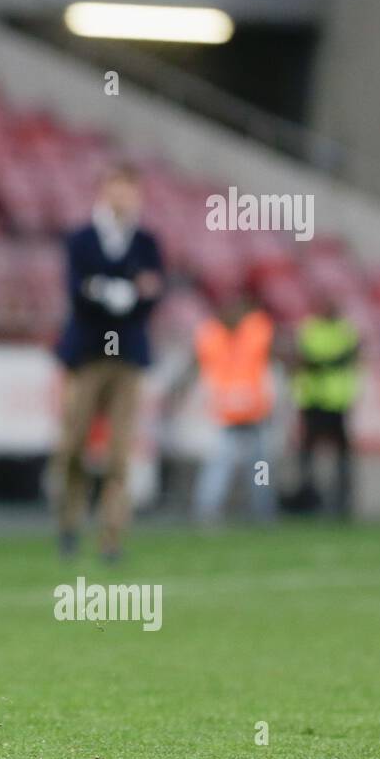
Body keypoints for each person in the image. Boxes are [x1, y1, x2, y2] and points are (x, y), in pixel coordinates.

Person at [52, 164, 164, 561]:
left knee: (119, 455)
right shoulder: (82, 239)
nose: (123, 199)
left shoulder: (147, 242)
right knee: (73, 446)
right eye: (117, 190)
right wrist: (121, 291)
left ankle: (112, 537)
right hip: (87, 356)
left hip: (127, 358)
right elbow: (78, 293)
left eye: (130, 191)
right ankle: (68, 523)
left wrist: (108, 290)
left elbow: (153, 293)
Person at [191, 296, 276, 523]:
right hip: (225, 411)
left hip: (253, 409)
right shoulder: (211, 335)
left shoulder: (255, 331)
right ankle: (208, 510)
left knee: (259, 465)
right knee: (220, 464)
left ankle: (263, 509)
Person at [289, 297, 360, 515]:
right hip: (313, 398)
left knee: (342, 454)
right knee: (308, 452)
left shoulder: (346, 330)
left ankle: (341, 499)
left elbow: (349, 357)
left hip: (338, 401)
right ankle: (308, 496)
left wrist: (321, 362)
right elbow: (302, 359)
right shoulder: (309, 329)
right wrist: (328, 362)